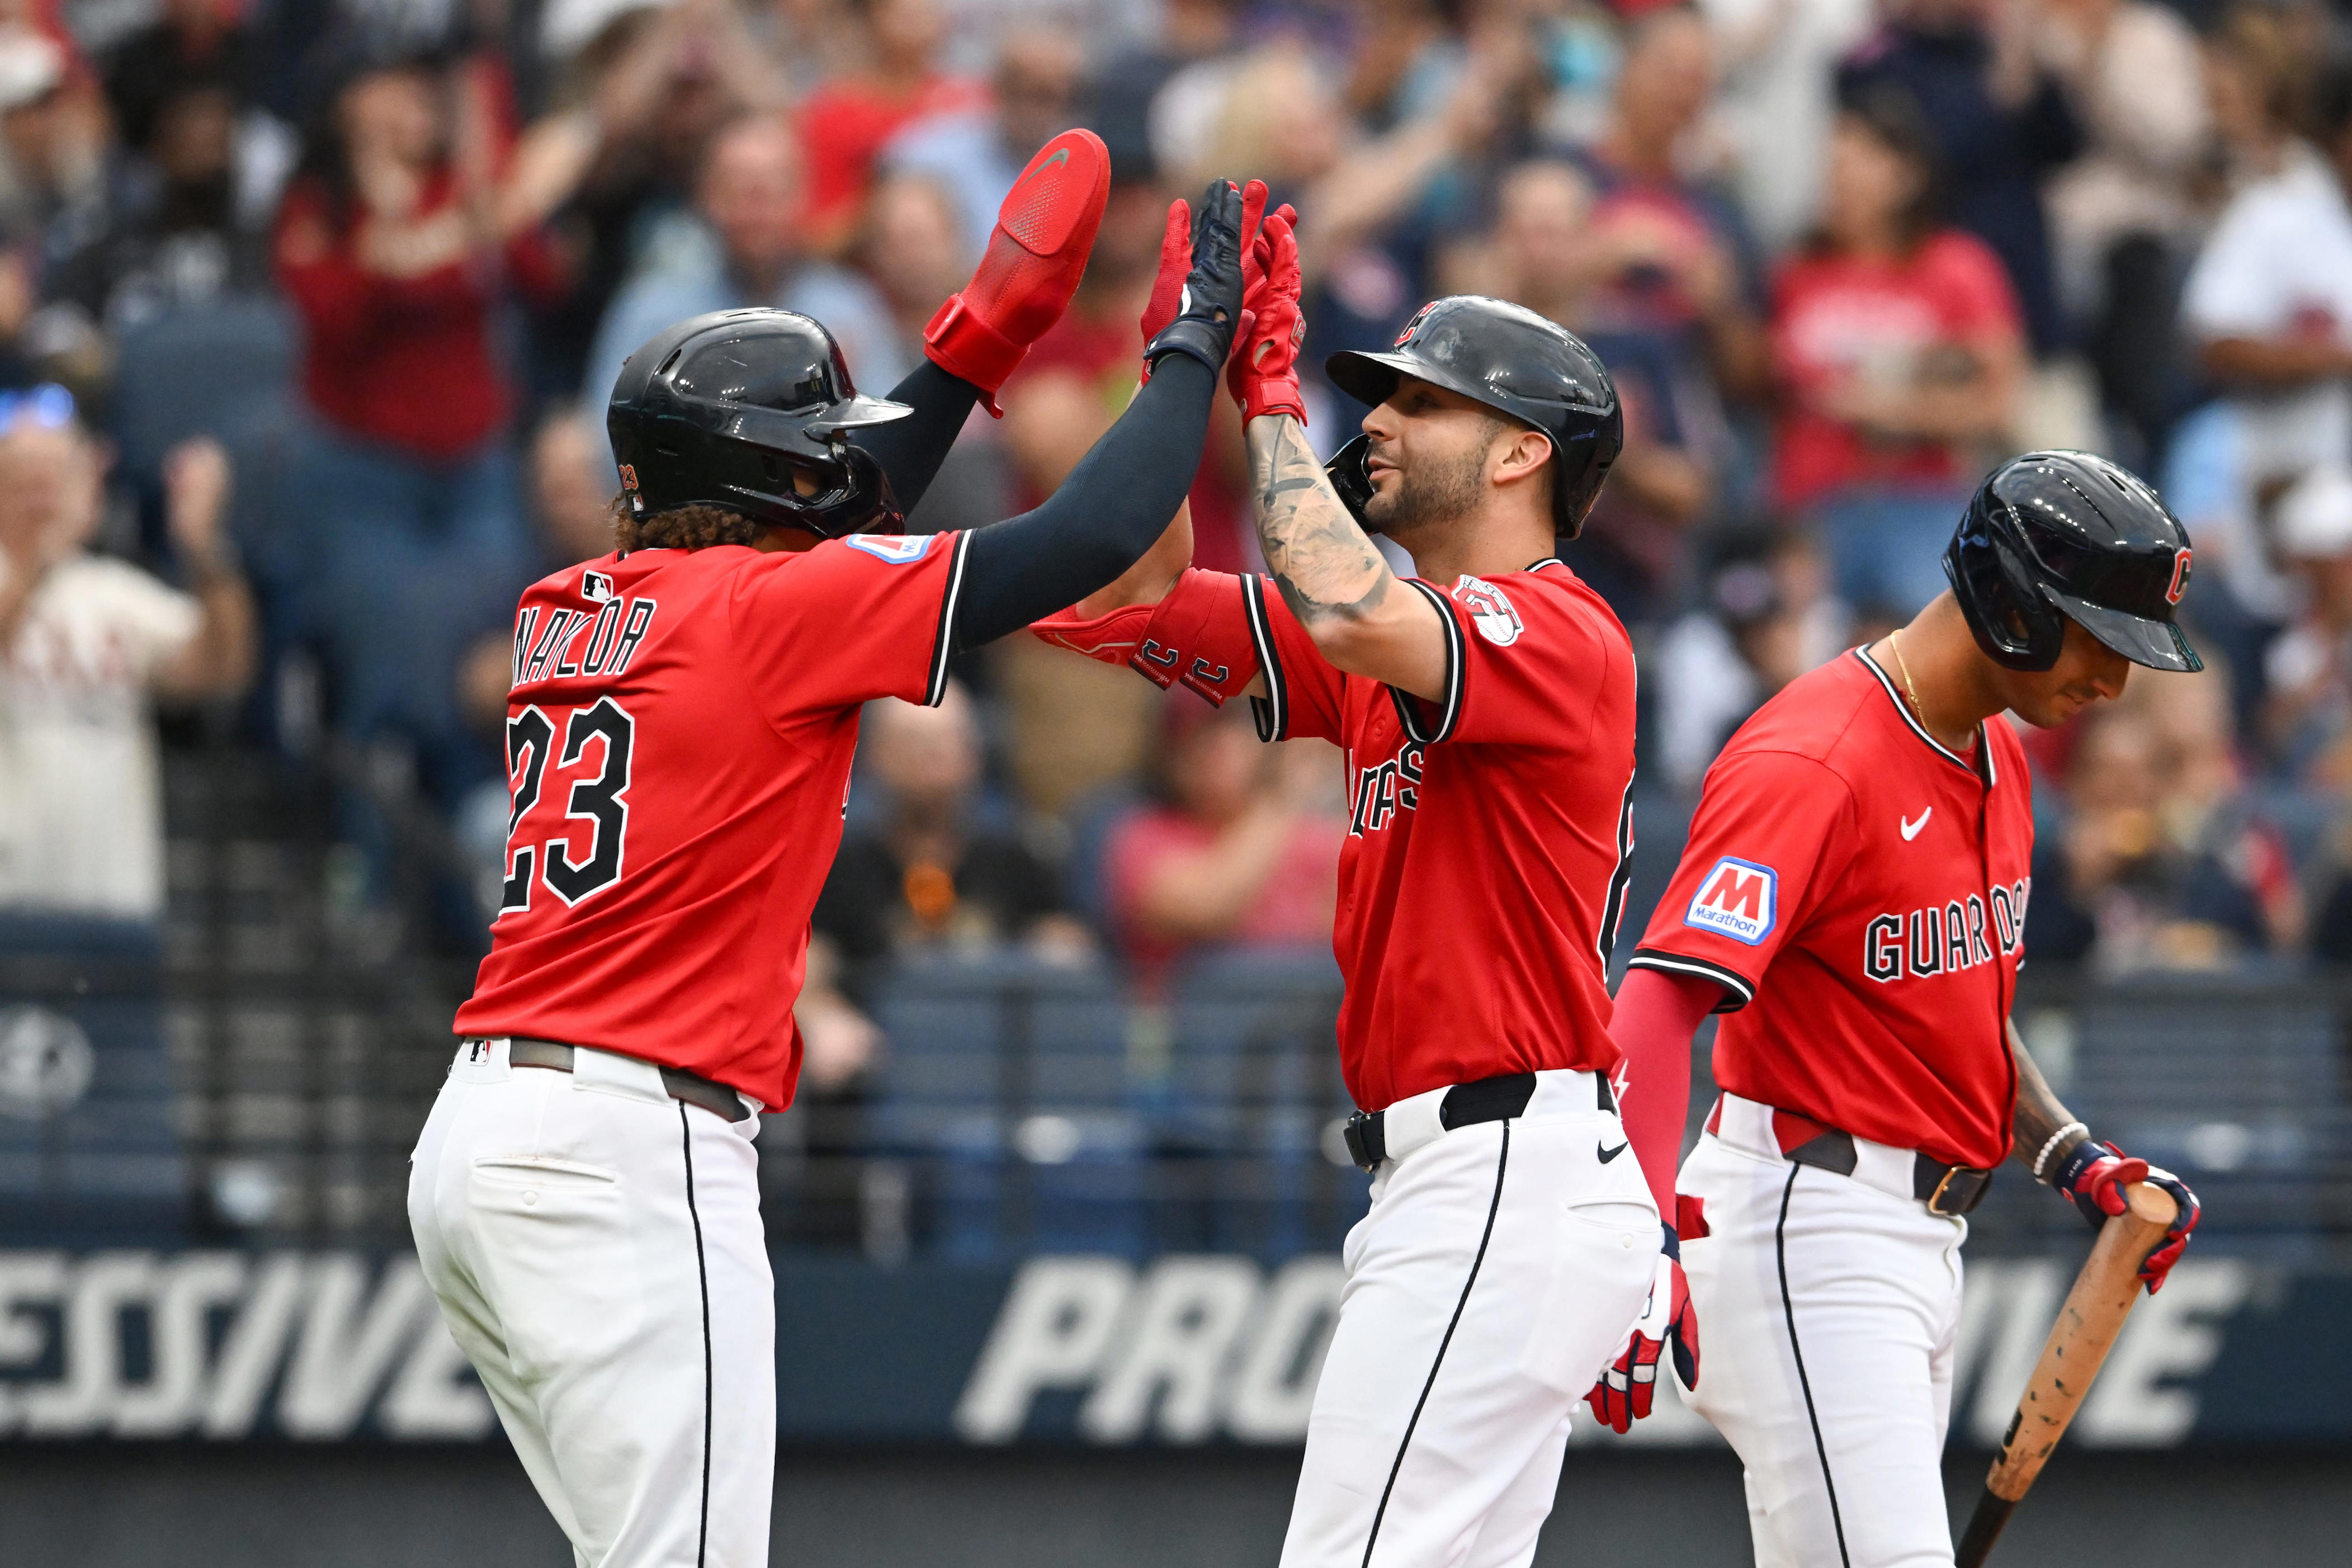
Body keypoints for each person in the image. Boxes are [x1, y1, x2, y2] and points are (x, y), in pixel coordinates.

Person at [407, 134, 1259, 1567]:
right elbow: (1098, 531)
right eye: (813, 446)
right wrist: (1189, 348)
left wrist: (978, 341)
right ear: (765, 473)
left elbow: (830, 507)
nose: (841, 463)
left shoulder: (571, 600)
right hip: (628, 1144)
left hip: (484, 1144)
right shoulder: (772, 612)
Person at [1035, 220, 1665, 1563]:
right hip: (1474, 1174)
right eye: (1378, 396)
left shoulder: (1559, 625)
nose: (1376, 418)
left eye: (1421, 402)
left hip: (1506, 1168)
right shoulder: (1391, 640)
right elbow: (1134, 586)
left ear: (1520, 452)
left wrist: (1272, 398)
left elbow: (1344, 605)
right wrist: (1179, 378)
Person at [1608, 451, 2204, 1566]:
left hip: (1916, 1235)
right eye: (2100, 640)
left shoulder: (1997, 747)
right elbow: (1654, 1001)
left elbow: (1953, 1010)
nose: (2115, 684)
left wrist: (2072, 1155)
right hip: (1808, 1222)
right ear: (2014, 603)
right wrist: (1639, 1241)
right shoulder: (1816, 755)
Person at [1769, 87, 2025, 618]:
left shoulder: (1957, 268)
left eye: (1852, 164)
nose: (1836, 180)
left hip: (1921, 498)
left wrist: (1885, 409)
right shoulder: (1798, 270)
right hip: (1811, 504)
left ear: (1905, 174)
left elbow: (1998, 403)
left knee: (1925, 642)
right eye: (1831, 165)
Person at [0, 400, 254, 920]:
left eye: (58, 477)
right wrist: (27, 560)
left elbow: (224, 668)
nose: (43, 498)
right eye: (27, 479)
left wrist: (205, 549)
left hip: (115, 905)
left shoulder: (113, 593)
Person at [582, 112, 904, 471]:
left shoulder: (849, 309)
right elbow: (610, 443)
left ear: (802, 196)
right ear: (706, 197)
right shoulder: (654, 311)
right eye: (738, 190)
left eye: (771, 191)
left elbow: (887, 443)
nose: (756, 211)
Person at [1104, 693, 1342, 992]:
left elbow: (1357, 930)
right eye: (1196, 733)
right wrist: (1281, 797)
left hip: (1305, 1010)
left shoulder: (1313, 838)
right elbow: (1207, 907)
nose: (1216, 746)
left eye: (1230, 727)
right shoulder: (1142, 837)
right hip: (1193, 1015)